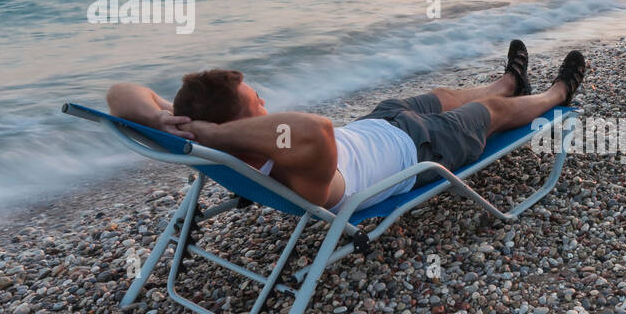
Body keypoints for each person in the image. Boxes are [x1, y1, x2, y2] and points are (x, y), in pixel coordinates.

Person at [106, 41, 586, 212]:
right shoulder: (299, 174)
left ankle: (508, 80)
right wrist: (216, 135)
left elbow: (119, 92)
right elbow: (318, 130)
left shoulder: (206, 130)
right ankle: (556, 94)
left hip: (381, 122)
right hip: (420, 150)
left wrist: (158, 117)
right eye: (258, 101)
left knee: (447, 94)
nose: (267, 102)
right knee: (491, 117)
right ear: (236, 123)